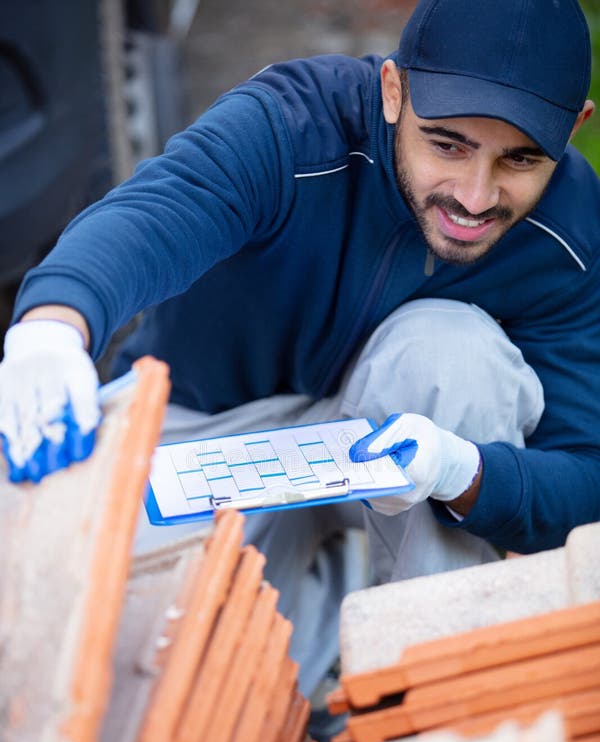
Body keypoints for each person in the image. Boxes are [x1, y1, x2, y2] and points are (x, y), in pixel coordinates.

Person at [1, 0, 599, 700]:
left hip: (393, 463)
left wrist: (463, 471)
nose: (474, 196)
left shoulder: (572, 235)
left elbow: (585, 476)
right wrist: (53, 327)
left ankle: (426, 694)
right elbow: (160, 210)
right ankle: (317, 633)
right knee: (101, 664)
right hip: (206, 446)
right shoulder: (293, 124)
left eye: (520, 160)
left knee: (452, 351)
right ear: (392, 91)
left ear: (576, 128)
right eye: (447, 144)